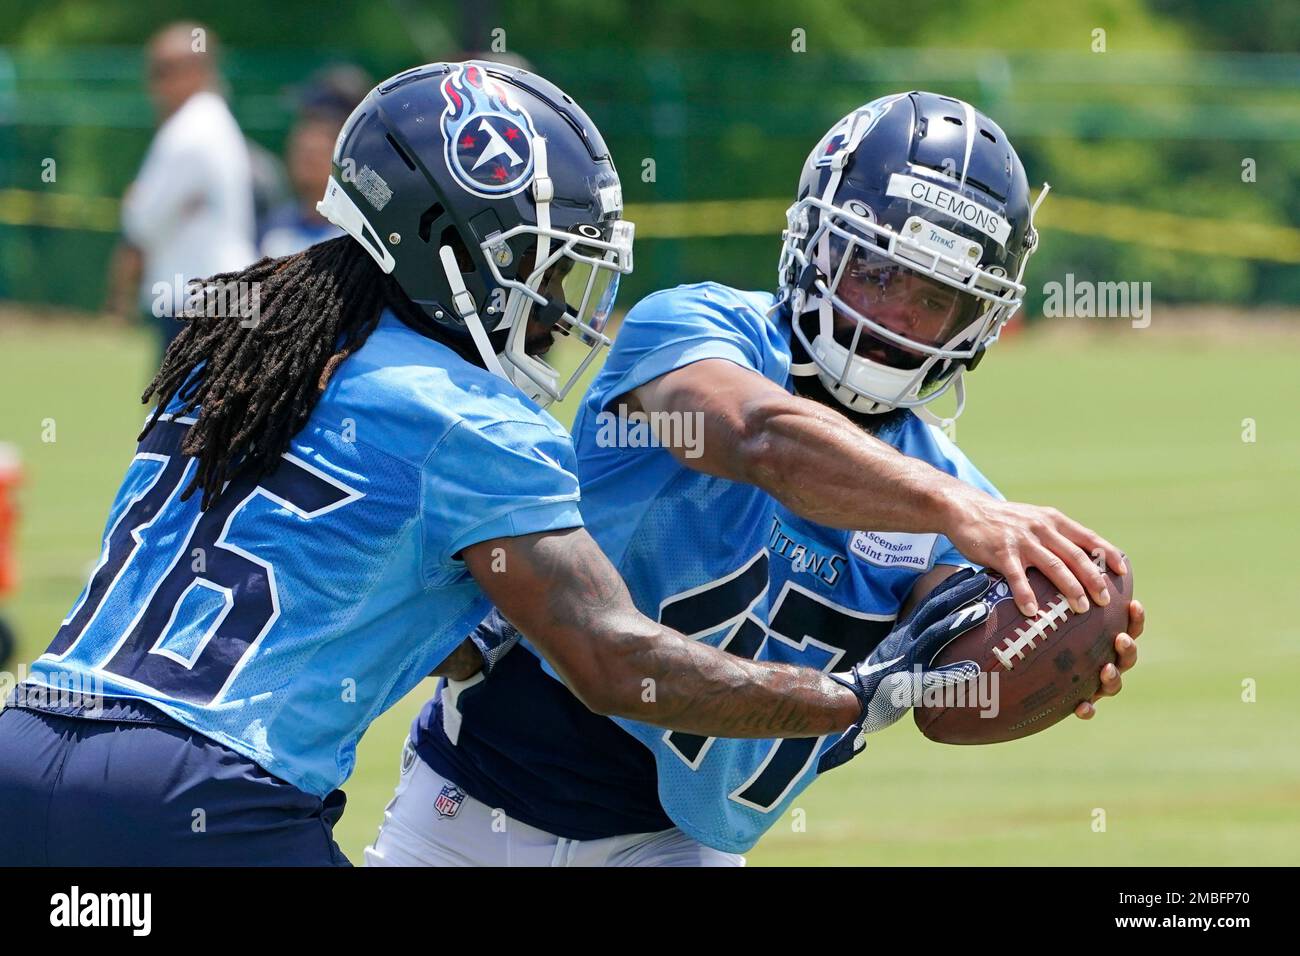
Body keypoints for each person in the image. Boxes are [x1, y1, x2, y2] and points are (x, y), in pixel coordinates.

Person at [0, 65, 972, 866]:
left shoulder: (232, 355)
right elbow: (617, 662)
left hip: (28, 742)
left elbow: (368, 598)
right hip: (208, 801)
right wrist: (848, 694)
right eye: (544, 268)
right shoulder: (472, 422)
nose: (559, 309)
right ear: (453, 250)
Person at [366, 91, 1144, 867]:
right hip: (473, 807)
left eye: (935, 298)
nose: (898, 318)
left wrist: (1048, 647)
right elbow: (754, 437)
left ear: (975, 319)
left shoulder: (959, 501)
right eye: (876, 270)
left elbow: (945, 668)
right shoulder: (694, 327)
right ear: (816, 243)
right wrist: (955, 507)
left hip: (676, 846)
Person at [106, 22, 256, 358]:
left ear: (196, 71)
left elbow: (142, 220)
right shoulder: (213, 121)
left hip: (197, 299)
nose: (153, 84)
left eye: (163, 71)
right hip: (224, 293)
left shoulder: (189, 131)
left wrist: (135, 200)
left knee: (179, 409)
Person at [259, 66, 373, 258]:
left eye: (327, 134)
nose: (309, 142)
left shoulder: (374, 235)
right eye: (307, 126)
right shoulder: (275, 227)